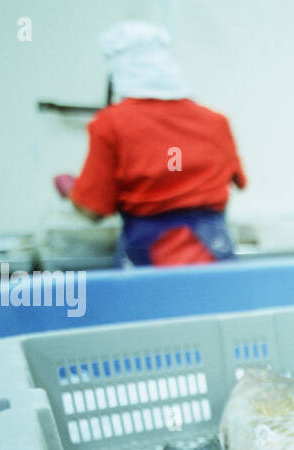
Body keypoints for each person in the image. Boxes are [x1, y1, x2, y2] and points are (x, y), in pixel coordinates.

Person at [53, 22, 247, 267]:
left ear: (118, 70)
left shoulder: (110, 124)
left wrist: (70, 188)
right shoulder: (216, 122)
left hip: (149, 263)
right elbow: (240, 181)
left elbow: (93, 210)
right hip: (212, 261)